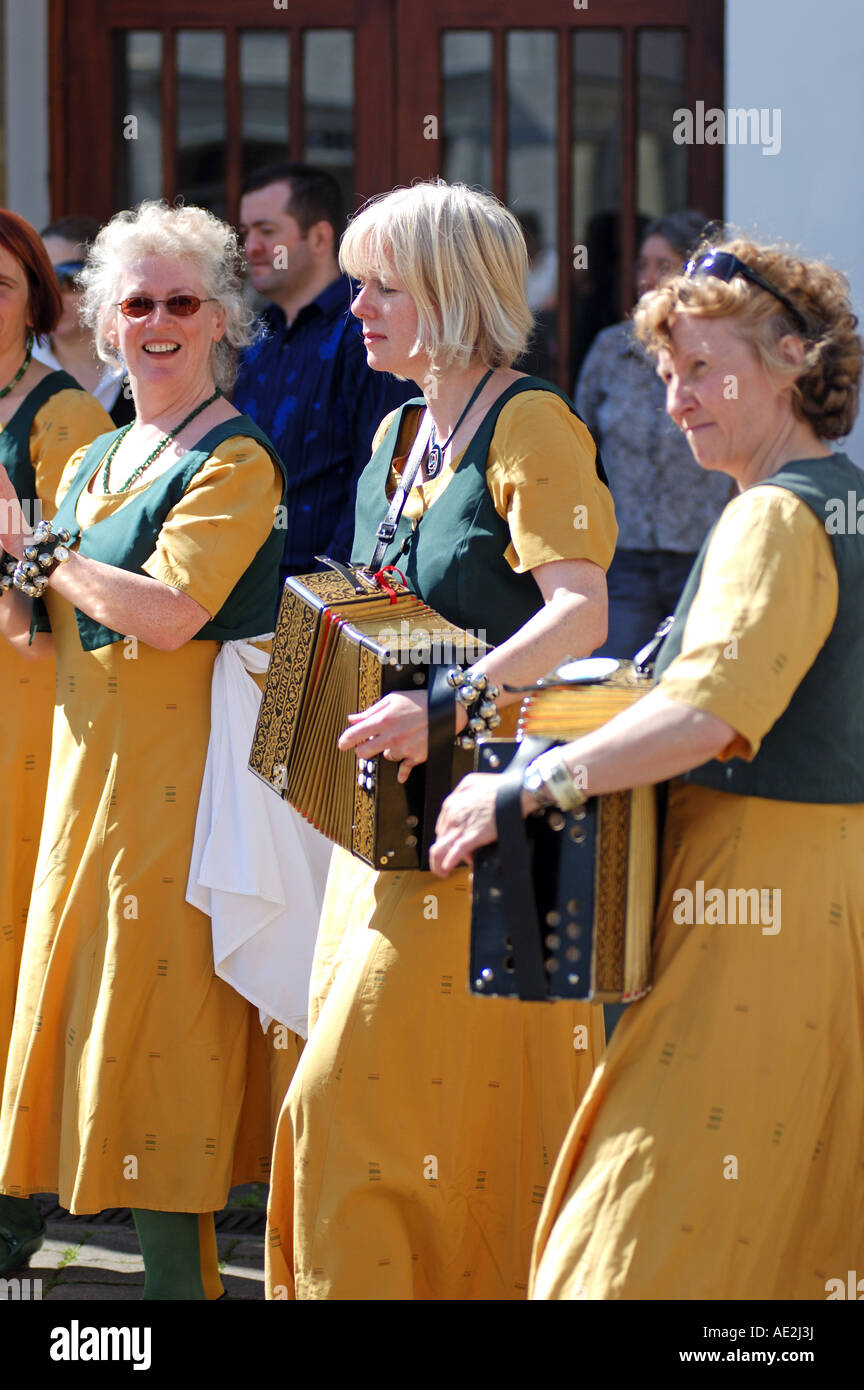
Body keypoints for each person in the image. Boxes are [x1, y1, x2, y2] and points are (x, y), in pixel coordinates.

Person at [431, 237, 864, 1299]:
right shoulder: (833, 495)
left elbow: (712, 713)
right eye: (668, 376)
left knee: (637, 1243)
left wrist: (526, 783)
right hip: (813, 903)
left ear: (795, 361)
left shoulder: (775, 513)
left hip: (749, 913)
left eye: (706, 370)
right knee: (771, 1232)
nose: (678, 400)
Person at [265, 180, 618, 1301]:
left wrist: (445, 701)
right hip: (392, 820)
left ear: (455, 295)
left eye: (382, 285)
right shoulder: (397, 429)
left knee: (454, 1106)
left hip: (505, 815)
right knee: (377, 1097)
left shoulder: (532, 422)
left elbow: (583, 612)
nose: (355, 306)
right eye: (357, 280)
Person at [0, 200, 303, 1300]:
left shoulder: (236, 458)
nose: (159, 320)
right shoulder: (101, 457)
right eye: (137, 303)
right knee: (92, 1030)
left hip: (185, 800)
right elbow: (42, 623)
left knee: (167, 1043)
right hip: (91, 784)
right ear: (105, 322)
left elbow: (170, 612)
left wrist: (31, 544)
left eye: (184, 301)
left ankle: (186, 1294)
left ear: (223, 318)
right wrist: (23, 567)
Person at [0, 210, 113, 1276]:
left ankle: (15, 1198)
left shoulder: (65, 416)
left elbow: (50, 608)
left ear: (36, 301)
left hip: (27, 716)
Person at [233, 162, 414, 589]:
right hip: (244, 597)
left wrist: (328, 592)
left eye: (267, 230)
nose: (251, 246)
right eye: (246, 232)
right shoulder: (257, 334)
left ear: (318, 237)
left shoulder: (366, 333)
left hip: (319, 602)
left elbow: (377, 477)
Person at [576, 212, 730, 660]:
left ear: (695, 269)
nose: (647, 278)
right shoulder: (610, 348)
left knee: (696, 679)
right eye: (642, 265)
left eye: (663, 265)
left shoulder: (721, 352)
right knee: (617, 678)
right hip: (624, 557)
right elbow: (582, 444)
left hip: (702, 553)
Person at [34, 215, 134, 425]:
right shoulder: (19, 369)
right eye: (40, 281)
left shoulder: (140, 363)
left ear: (102, 281)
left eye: (67, 280)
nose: (51, 295)